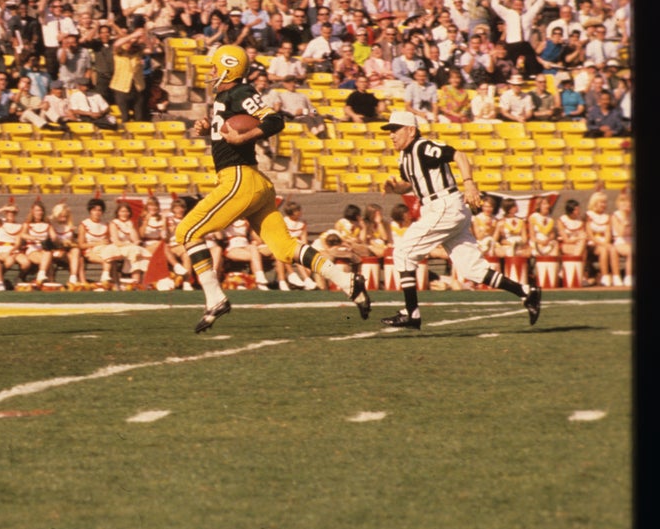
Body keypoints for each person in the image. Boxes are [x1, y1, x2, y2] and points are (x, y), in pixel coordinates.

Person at [174, 45, 371, 332]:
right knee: (284, 248)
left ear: (229, 67)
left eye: (216, 66)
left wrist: (247, 137)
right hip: (252, 183)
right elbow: (229, 129)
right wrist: (210, 130)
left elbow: (274, 119)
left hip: (240, 179)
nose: (211, 71)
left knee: (187, 232)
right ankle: (346, 281)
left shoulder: (240, 92)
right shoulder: (225, 96)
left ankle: (215, 297)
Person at [379, 110, 541, 330]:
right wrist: (395, 188)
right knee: (471, 269)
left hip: (444, 205)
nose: (391, 135)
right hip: (441, 208)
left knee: (403, 253)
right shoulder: (404, 156)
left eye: (395, 129)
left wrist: (469, 182)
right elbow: (411, 184)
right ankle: (526, 292)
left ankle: (411, 313)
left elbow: (459, 155)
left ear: (411, 130)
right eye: (390, 130)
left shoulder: (422, 146)